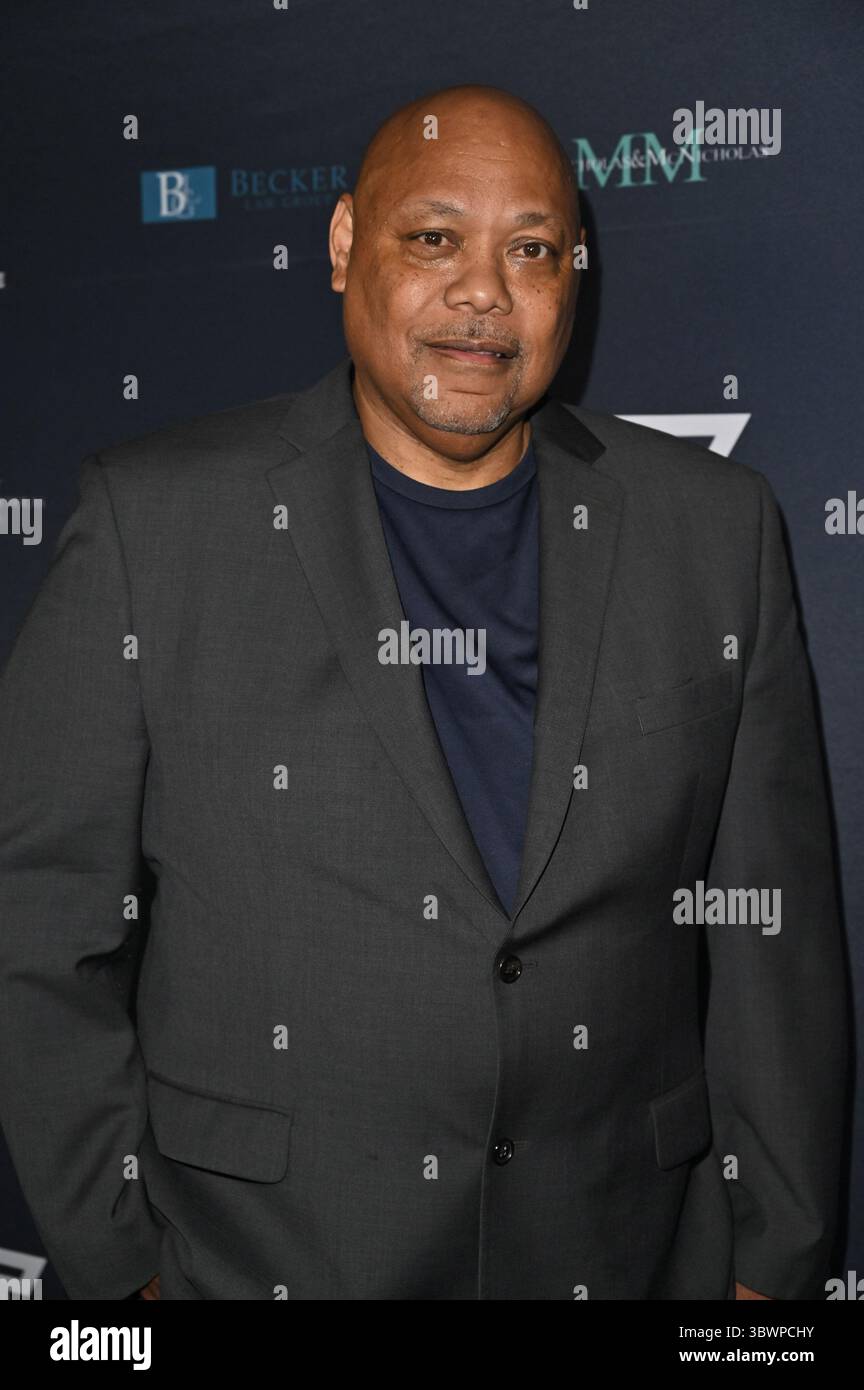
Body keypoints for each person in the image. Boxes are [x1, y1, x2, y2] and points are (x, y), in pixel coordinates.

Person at [0, 84, 848, 1301]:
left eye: (533, 251)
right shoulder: (156, 525)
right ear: (346, 244)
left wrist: (771, 1272)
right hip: (263, 1264)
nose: (484, 296)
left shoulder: (714, 531)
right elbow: (34, 924)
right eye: (435, 238)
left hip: (624, 1258)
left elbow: (776, 945)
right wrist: (122, 1270)